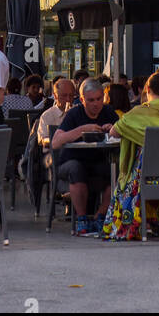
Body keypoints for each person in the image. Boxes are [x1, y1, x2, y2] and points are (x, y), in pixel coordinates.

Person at [102, 69, 159, 240]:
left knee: (130, 177)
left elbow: (114, 131)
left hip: (148, 177)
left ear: (148, 90)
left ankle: (136, 221)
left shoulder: (139, 113)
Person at [52, 77, 119, 235]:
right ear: (82, 99)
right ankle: (82, 218)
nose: (96, 104)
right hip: (71, 161)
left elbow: (122, 132)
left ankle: (100, 215)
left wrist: (113, 130)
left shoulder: (108, 111)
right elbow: (55, 142)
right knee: (76, 169)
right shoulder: (74, 113)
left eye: (99, 99)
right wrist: (82, 129)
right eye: (90, 100)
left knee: (116, 171)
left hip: (98, 161)